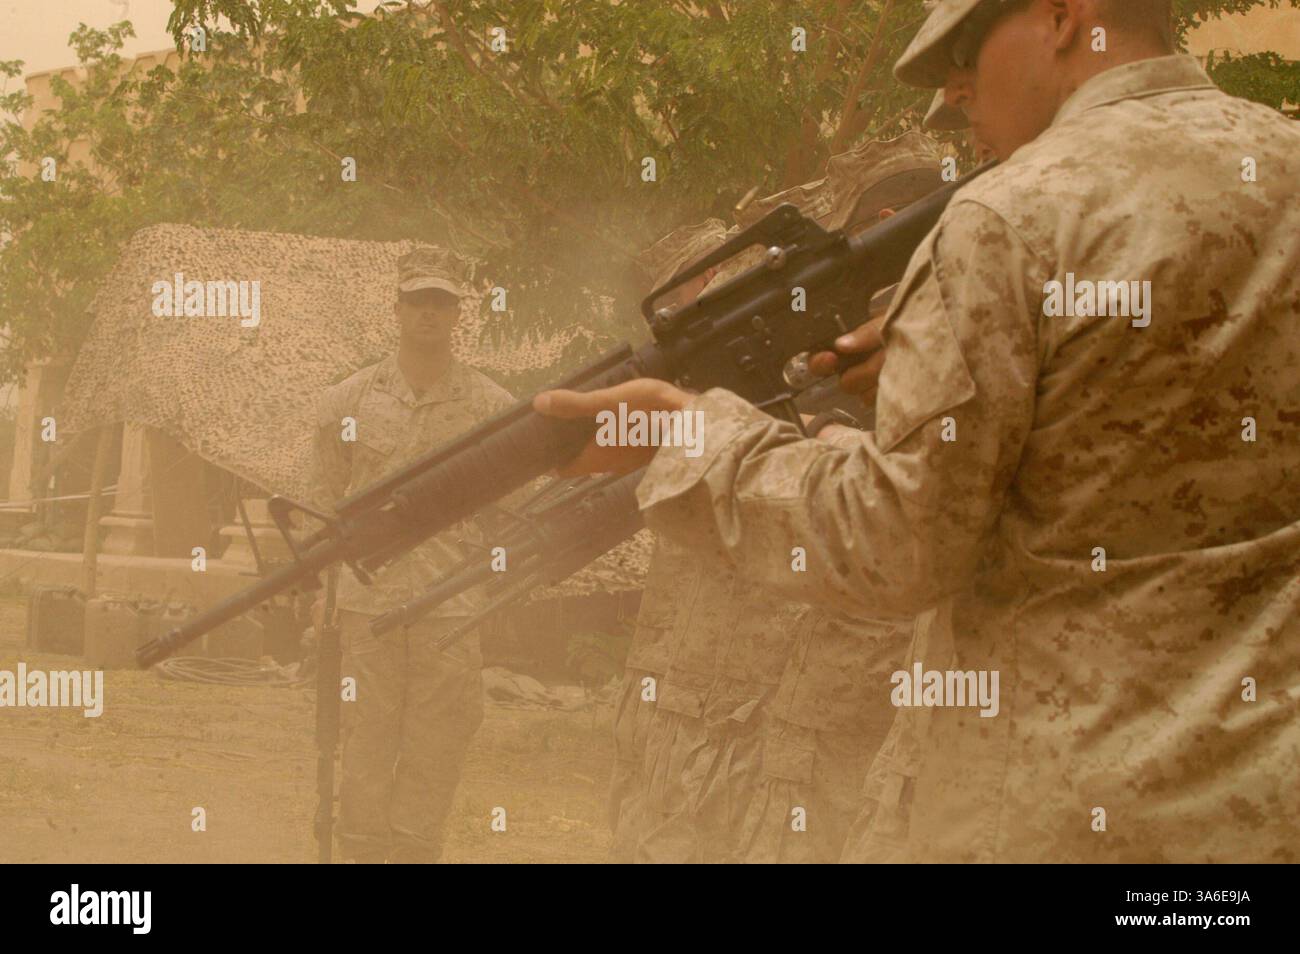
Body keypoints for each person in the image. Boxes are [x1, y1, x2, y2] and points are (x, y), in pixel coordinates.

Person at [536, 0, 1300, 862]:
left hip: (1048, 816)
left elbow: (893, 544)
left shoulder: (1007, 216)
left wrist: (696, 440)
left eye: (964, 52)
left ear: (1061, 16)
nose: (954, 92)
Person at [310, 245, 515, 863]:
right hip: (366, 607)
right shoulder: (345, 402)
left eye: (442, 303)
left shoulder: (491, 408)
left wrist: (489, 587)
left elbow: (509, 512)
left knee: (439, 741)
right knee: (365, 735)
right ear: (396, 309)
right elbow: (323, 509)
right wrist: (321, 607)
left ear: (458, 315)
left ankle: (413, 855)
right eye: (418, 301)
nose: (429, 314)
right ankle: (363, 855)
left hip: (450, 608)